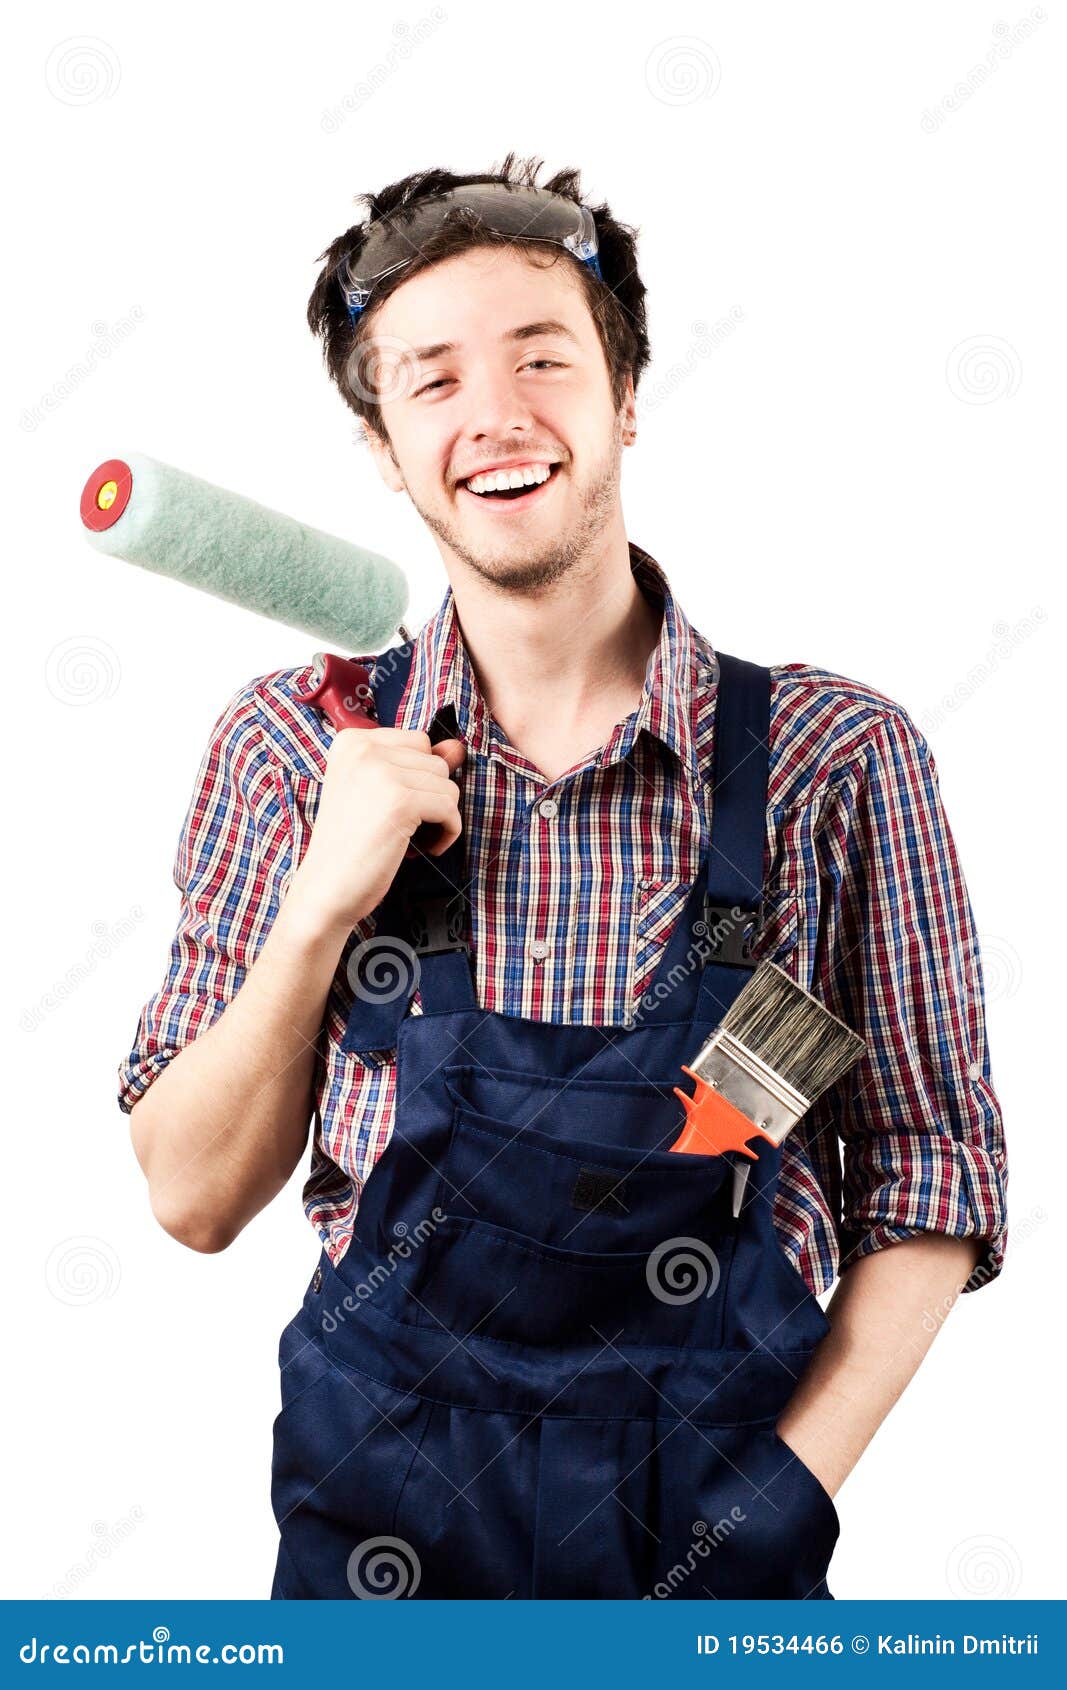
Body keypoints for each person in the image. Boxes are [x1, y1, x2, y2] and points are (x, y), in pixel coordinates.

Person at [117, 154, 1008, 1600]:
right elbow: (194, 1195)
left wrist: (777, 1500)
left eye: (544, 359)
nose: (497, 416)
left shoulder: (833, 763)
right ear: (384, 446)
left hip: (711, 1557)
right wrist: (322, 904)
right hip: (377, 1564)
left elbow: (927, 1170)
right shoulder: (292, 750)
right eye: (433, 381)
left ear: (626, 395)